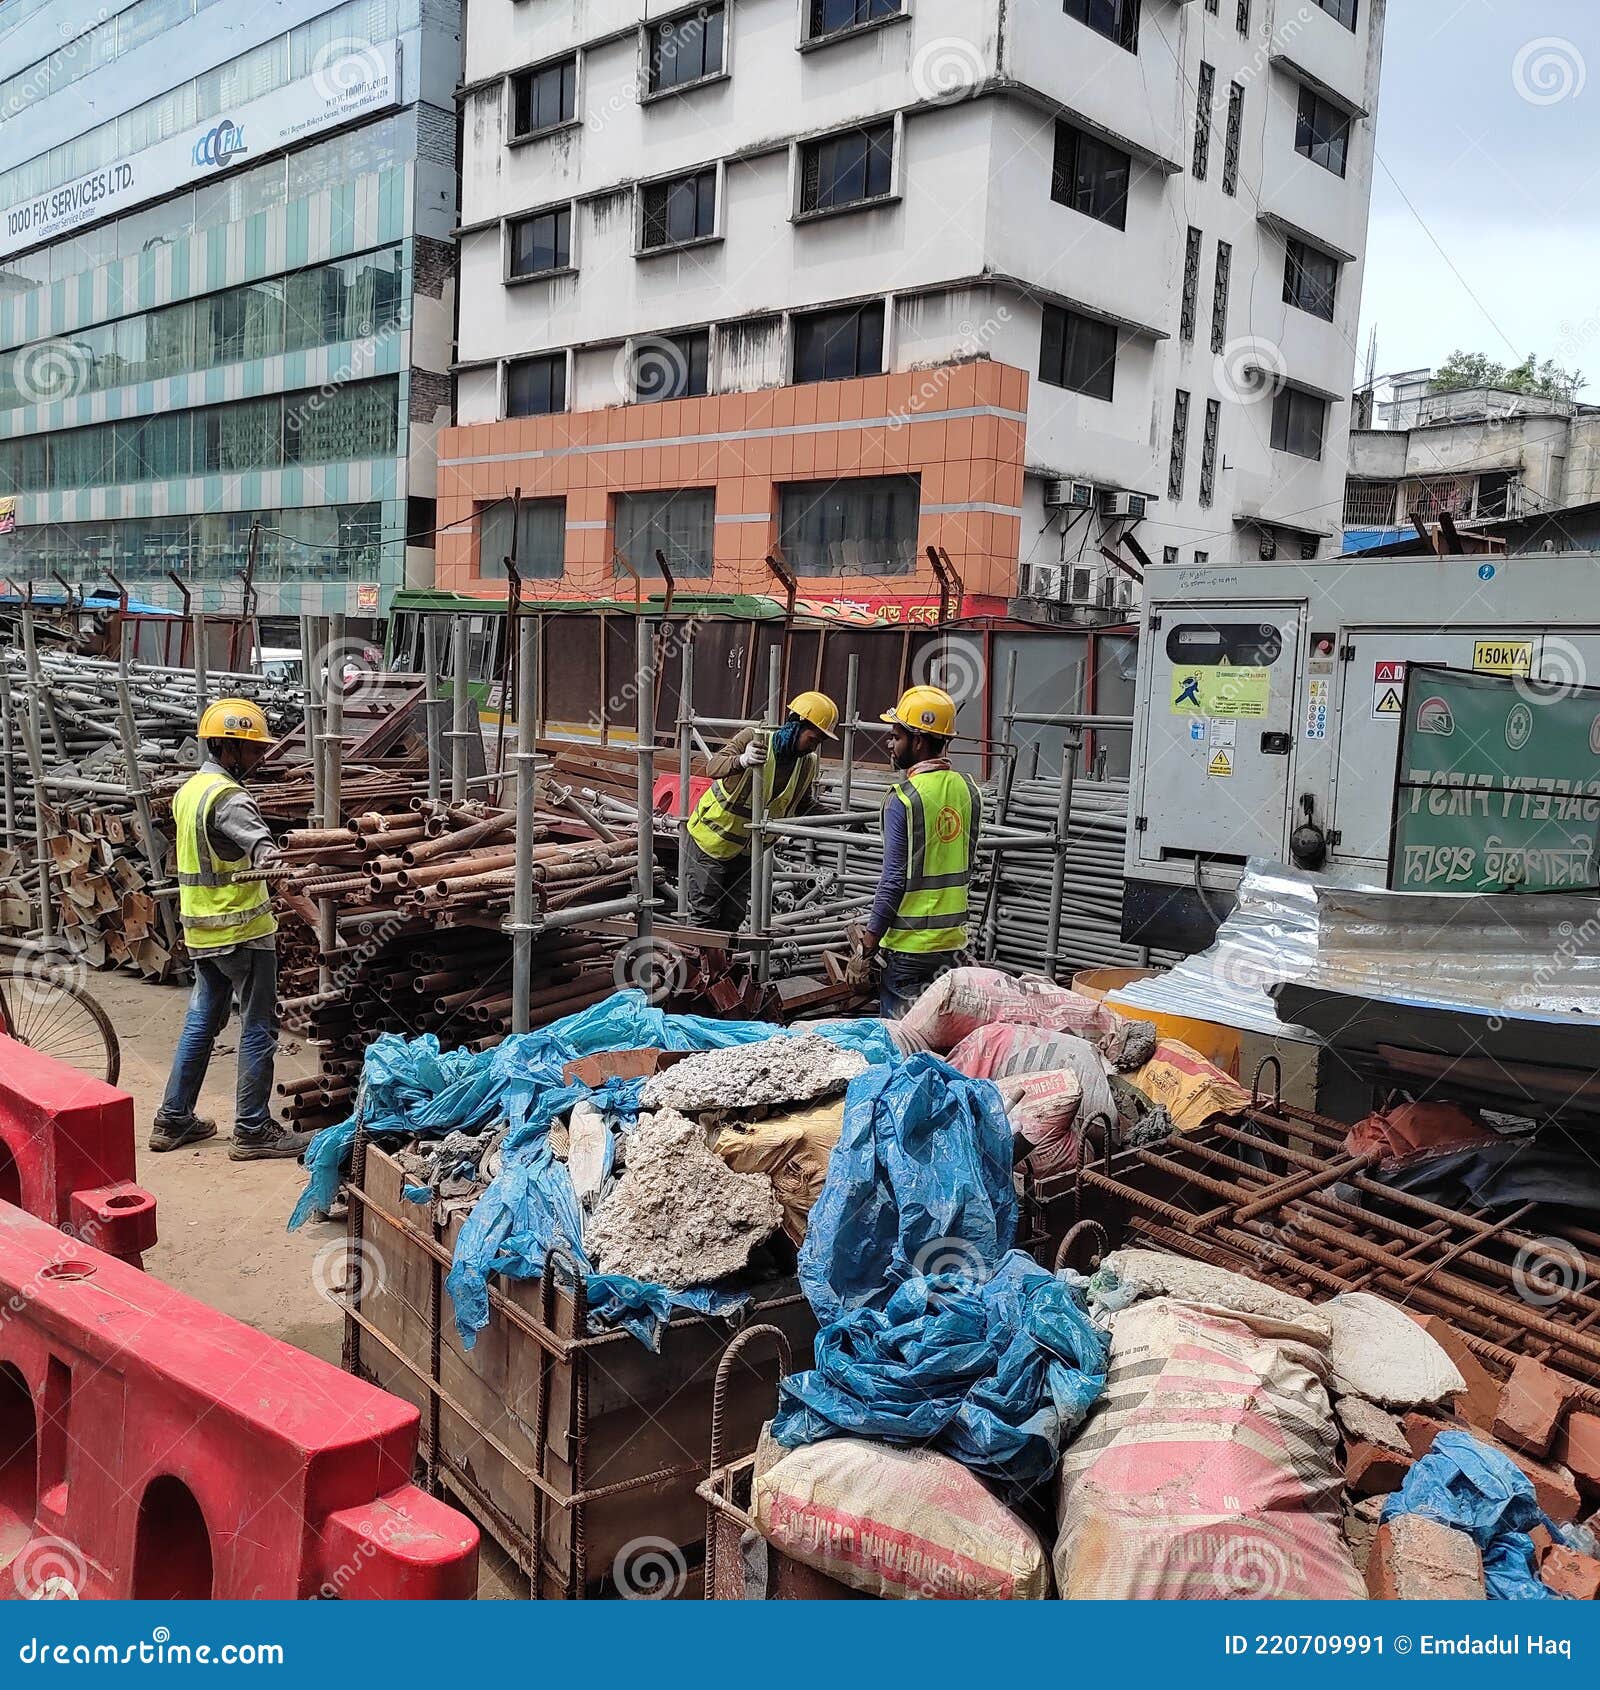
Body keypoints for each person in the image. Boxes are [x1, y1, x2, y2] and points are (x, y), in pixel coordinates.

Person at [150, 699, 311, 1161]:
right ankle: (253, 1129)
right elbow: (266, 856)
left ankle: (173, 1118)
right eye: (252, 750)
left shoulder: (189, 791)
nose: (259, 758)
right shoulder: (230, 798)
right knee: (258, 1026)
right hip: (244, 933)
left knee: (201, 1022)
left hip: (201, 931)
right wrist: (310, 907)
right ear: (228, 747)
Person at [852, 685, 983, 1019]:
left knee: (901, 1040)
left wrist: (867, 948)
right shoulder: (969, 789)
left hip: (910, 947)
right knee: (938, 1036)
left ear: (919, 741)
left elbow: (893, 881)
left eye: (896, 736)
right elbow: (967, 863)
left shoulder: (904, 798)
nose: (889, 744)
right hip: (953, 944)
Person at [683, 691, 839, 932]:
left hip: (748, 852)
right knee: (704, 916)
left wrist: (842, 820)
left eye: (819, 741)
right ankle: (695, 966)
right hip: (710, 843)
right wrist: (741, 761)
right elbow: (712, 766)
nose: (814, 746)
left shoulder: (807, 762)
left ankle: (719, 968)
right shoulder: (753, 738)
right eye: (813, 738)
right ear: (796, 725)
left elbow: (803, 804)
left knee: (731, 919)